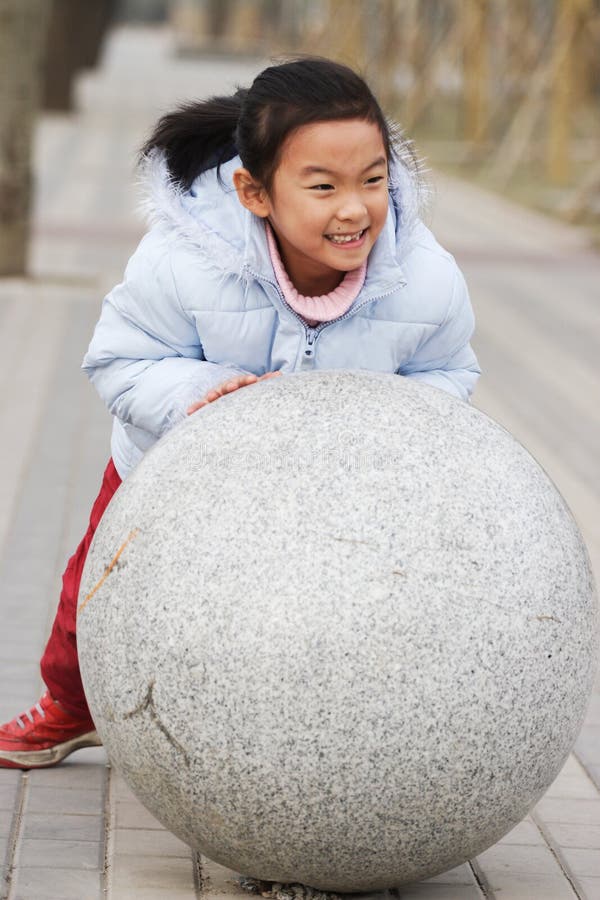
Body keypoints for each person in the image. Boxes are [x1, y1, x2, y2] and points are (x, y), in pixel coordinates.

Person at [0, 57, 480, 769]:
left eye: (373, 181)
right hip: (173, 469)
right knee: (96, 598)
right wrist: (197, 396)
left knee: (315, 621)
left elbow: (448, 372)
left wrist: (387, 421)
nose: (355, 209)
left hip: (335, 490)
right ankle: (71, 704)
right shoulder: (184, 261)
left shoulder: (424, 278)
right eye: (323, 187)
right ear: (254, 192)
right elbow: (121, 359)